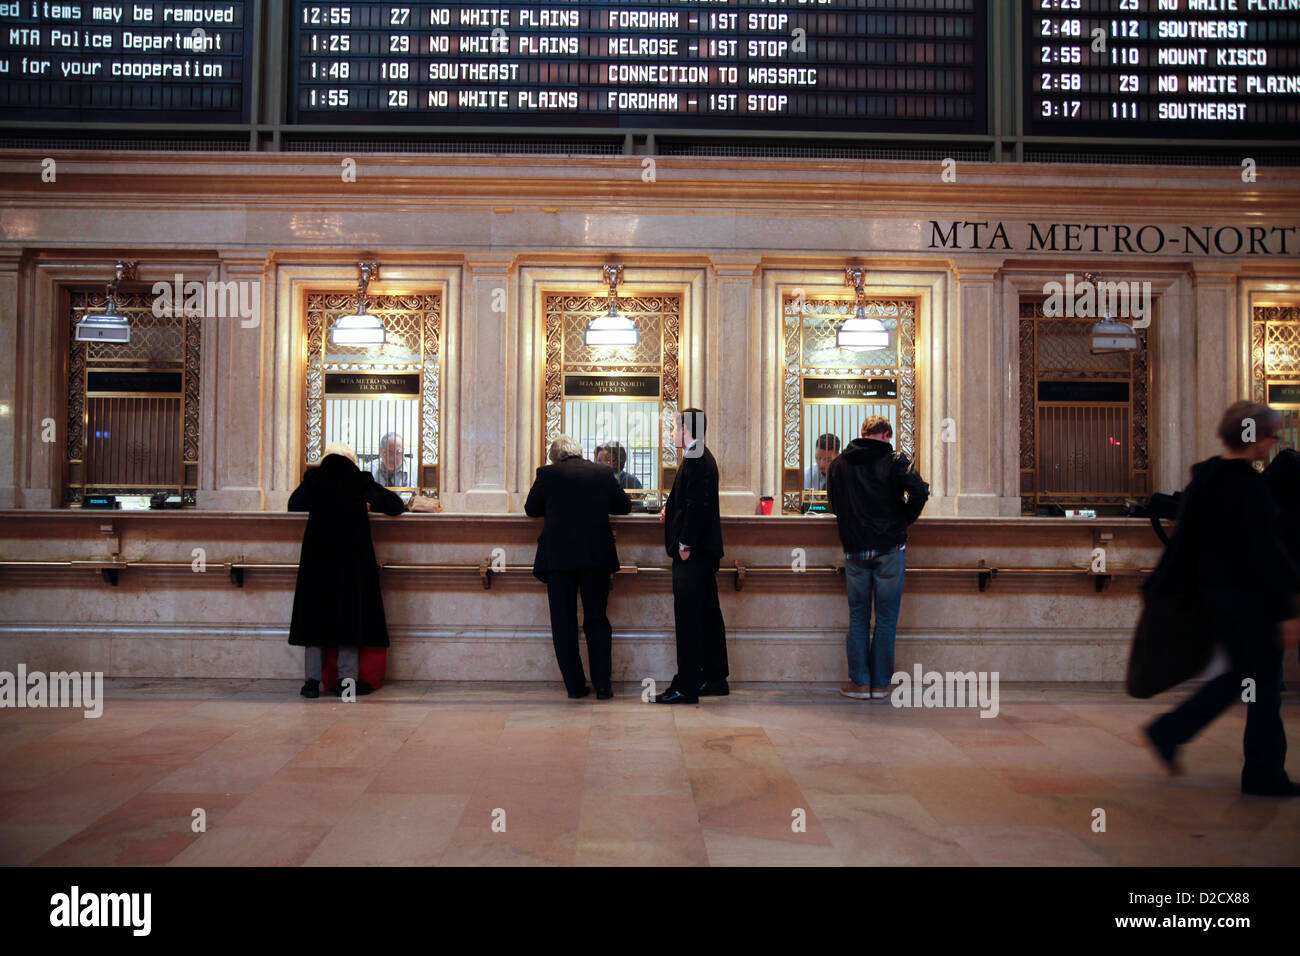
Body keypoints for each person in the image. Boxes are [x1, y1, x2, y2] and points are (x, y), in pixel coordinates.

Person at [1144, 401, 1300, 796]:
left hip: (1213, 597)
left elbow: (1186, 542)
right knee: (1260, 683)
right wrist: (1288, 609)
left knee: (1246, 679)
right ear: (1255, 437)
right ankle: (1259, 771)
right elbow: (1267, 554)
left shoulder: (1206, 478)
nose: (1271, 444)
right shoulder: (1249, 488)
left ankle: (1177, 733)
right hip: (1248, 603)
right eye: (1268, 436)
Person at [288, 441, 406, 699]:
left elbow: (293, 504)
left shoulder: (314, 479)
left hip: (317, 563)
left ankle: (311, 682)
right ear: (352, 461)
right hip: (351, 563)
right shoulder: (358, 479)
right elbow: (395, 504)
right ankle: (347, 682)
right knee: (350, 621)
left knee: (314, 620)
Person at [826, 415, 929, 700]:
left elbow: (833, 504)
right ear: (885, 435)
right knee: (886, 619)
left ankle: (858, 683)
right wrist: (904, 519)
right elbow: (920, 490)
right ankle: (880, 684)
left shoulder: (839, 464)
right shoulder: (896, 460)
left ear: (862, 433)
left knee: (858, 617)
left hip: (855, 550)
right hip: (890, 549)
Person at [525, 435, 633, 699]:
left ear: (555, 456)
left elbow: (531, 509)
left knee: (564, 623)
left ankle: (575, 686)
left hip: (558, 560)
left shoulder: (547, 475)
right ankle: (604, 686)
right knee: (597, 620)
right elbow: (625, 506)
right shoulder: (602, 472)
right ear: (579, 452)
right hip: (595, 559)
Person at [654, 408, 728, 704]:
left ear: (686, 429)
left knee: (689, 619)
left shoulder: (695, 457)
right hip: (703, 552)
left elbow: (698, 505)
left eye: (674, 427)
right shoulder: (700, 454)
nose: (671, 432)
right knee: (708, 615)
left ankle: (686, 686)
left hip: (693, 554)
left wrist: (684, 543)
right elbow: (691, 500)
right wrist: (669, 510)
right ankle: (715, 677)